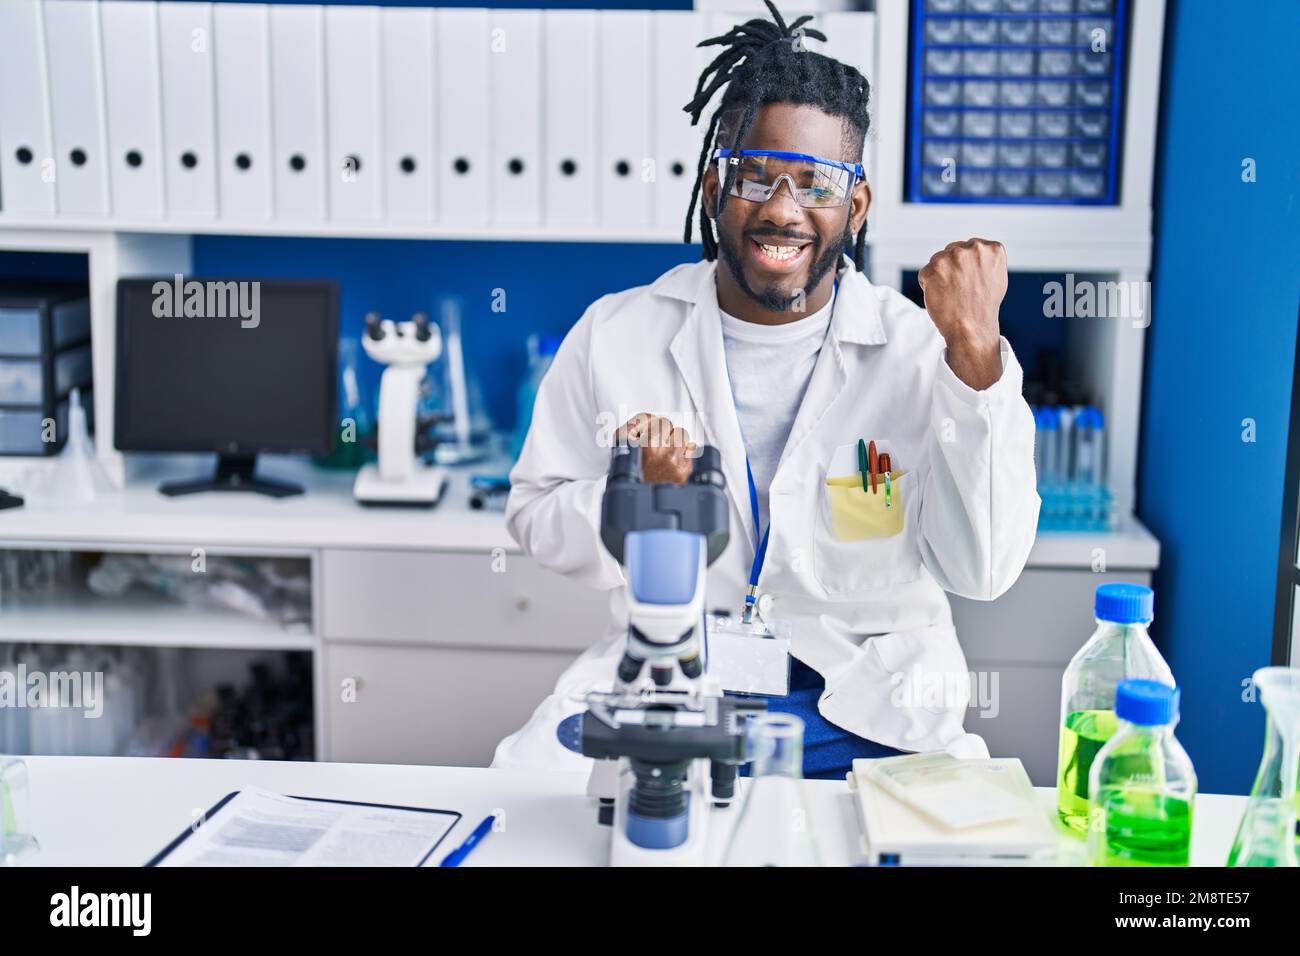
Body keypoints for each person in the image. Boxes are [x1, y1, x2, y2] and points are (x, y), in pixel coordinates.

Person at [493, 2, 1039, 779]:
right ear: (716, 183)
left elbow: (984, 572)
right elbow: (534, 511)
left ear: (856, 206)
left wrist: (979, 355)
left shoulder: (923, 354)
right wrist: (632, 498)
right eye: (756, 174)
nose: (782, 209)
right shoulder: (617, 335)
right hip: (678, 691)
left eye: (815, 182)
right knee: (522, 793)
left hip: (871, 712)